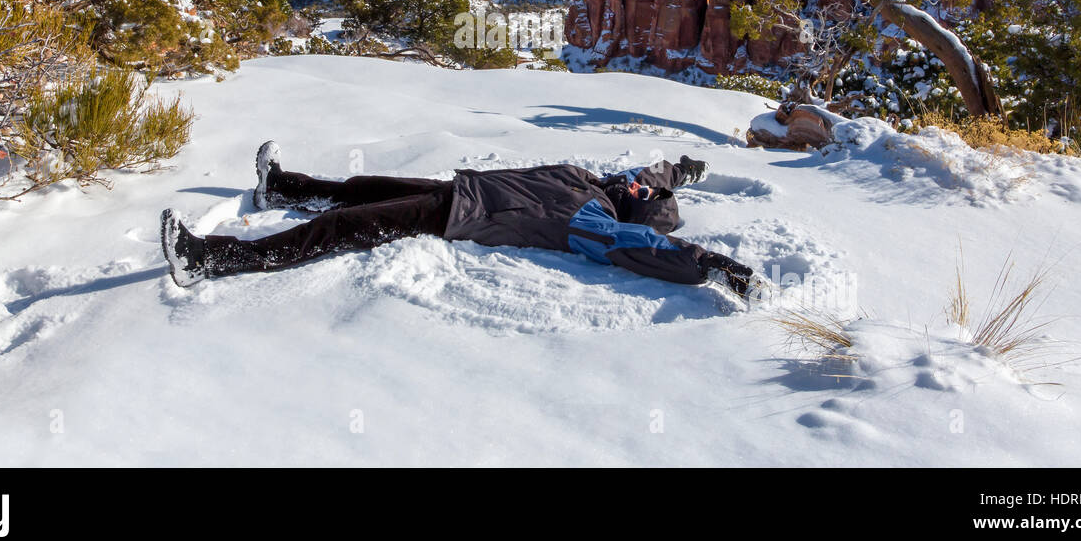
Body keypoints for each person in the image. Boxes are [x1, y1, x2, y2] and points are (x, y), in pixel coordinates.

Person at [160, 141, 762, 299]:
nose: (633, 182)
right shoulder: (598, 184)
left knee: (341, 229)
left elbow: (644, 246)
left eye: (638, 191)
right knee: (363, 186)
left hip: (460, 215)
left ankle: (211, 259)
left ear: (633, 209)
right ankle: (280, 188)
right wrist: (680, 172)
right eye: (637, 184)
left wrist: (713, 266)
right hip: (459, 188)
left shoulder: (596, 218)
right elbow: (654, 180)